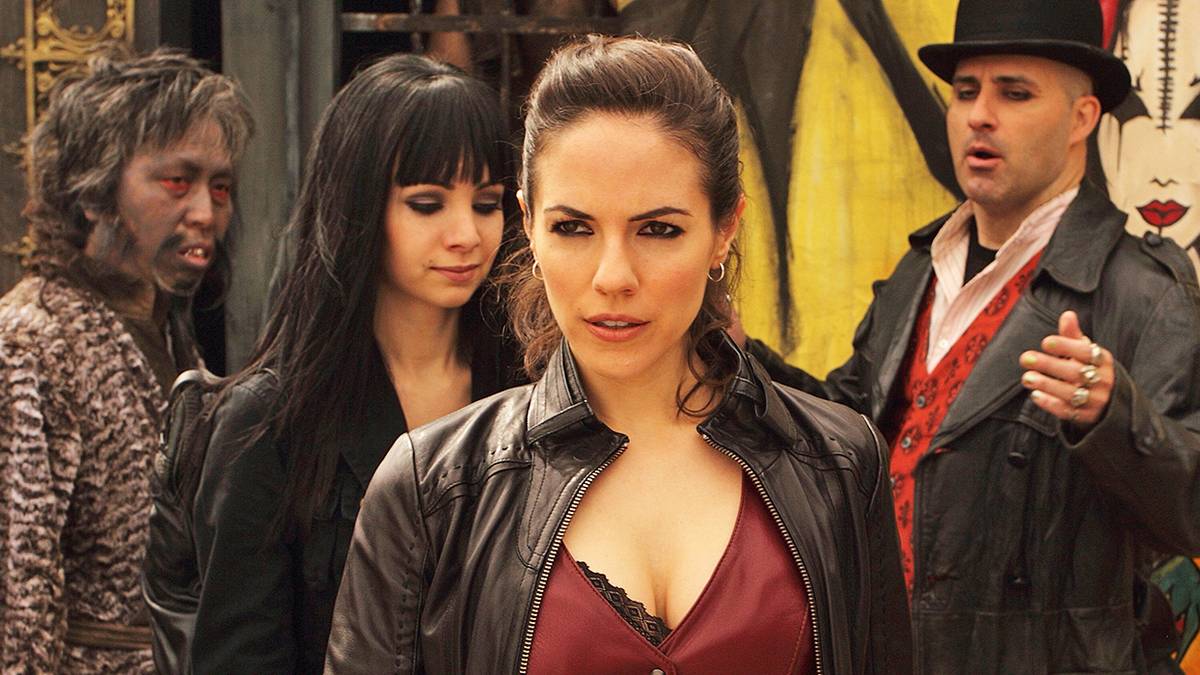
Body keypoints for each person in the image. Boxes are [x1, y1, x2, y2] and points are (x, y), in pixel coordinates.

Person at [326, 35, 912, 675]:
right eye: (573, 227)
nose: (613, 277)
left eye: (658, 229)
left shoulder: (837, 463)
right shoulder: (435, 485)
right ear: (529, 225)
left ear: (724, 229)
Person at [745, 0, 1200, 672]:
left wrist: (1113, 416)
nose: (979, 115)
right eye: (965, 92)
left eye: (1014, 93)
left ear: (1082, 118)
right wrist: (738, 354)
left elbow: (1190, 511)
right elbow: (846, 429)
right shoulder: (920, 268)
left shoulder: (1144, 293)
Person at [142, 54, 522, 675]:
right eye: (427, 204)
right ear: (358, 207)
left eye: (486, 203)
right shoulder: (269, 421)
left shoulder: (531, 393)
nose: (466, 235)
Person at [0, 49, 252, 673]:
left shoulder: (168, 336)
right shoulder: (30, 343)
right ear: (95, 194)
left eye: (220, 188)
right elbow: (18, 600)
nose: (205, 213)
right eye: (177, 182)